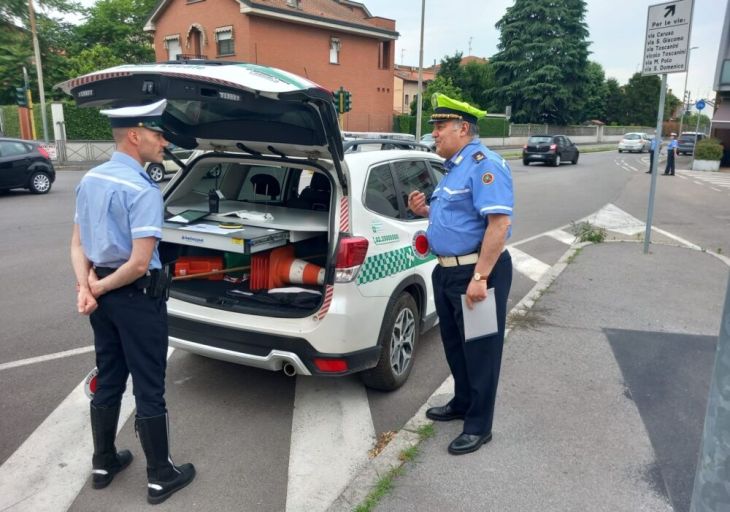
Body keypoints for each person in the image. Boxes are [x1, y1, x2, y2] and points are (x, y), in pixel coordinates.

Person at [71, 99, 196, 504]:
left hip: (102, 296)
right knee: (148, 384)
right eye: (159, 134)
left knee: (109, 376)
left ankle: (103, 461)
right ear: (135, 135)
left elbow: (77, 245)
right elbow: (140, 263)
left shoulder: (90, 179)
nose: (163, 143)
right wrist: (100, 290)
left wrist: (86, 288)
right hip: (135, 298)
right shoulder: (143, 189)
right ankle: (161, 474)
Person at [408, 94, 513, 455]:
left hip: (477, 273)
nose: (433, 133)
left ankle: (479, 426)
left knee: (481, 351)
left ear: (462, 128)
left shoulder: (486, 164)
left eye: (439, 127)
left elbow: (499, 223)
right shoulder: (455, 167)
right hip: (448, 272)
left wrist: (481, 278)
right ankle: (463, 402)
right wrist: (424, 212)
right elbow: (459, 220)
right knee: (455, 346)